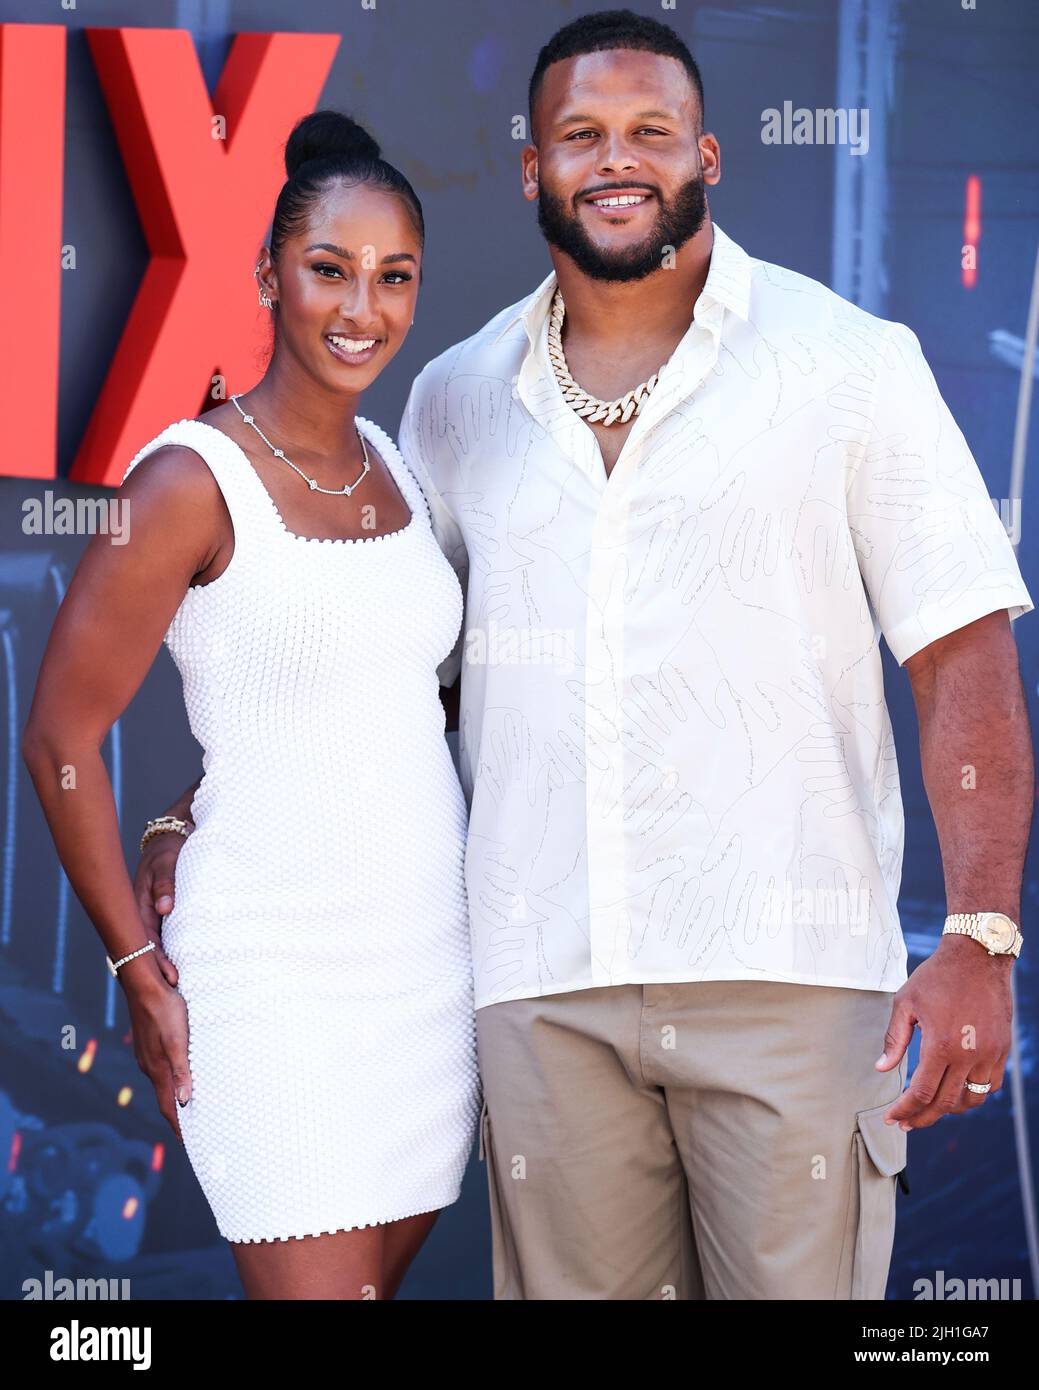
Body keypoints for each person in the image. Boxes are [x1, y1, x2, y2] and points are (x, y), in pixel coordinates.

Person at [140, 10, 1035, 1300]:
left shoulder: (851, 367)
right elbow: (391, 669)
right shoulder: (451, 395)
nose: (616, 160)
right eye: (579, 135)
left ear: (707, 155)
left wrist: (980, 936)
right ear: (530, 170)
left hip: (784, 980)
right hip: (538, 989)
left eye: (648, 133)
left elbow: (962, 656)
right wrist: (192, 809)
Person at [21, 110, 480, 1301]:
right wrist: (136, 963)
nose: (359, 308)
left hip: (430, 974)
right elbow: (60, 736)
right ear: (267, 274)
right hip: (274, 980)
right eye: (328, 270)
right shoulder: (187, 480)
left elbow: (371, 709)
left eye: (393, 278)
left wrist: (183, 808)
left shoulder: (397, 460)